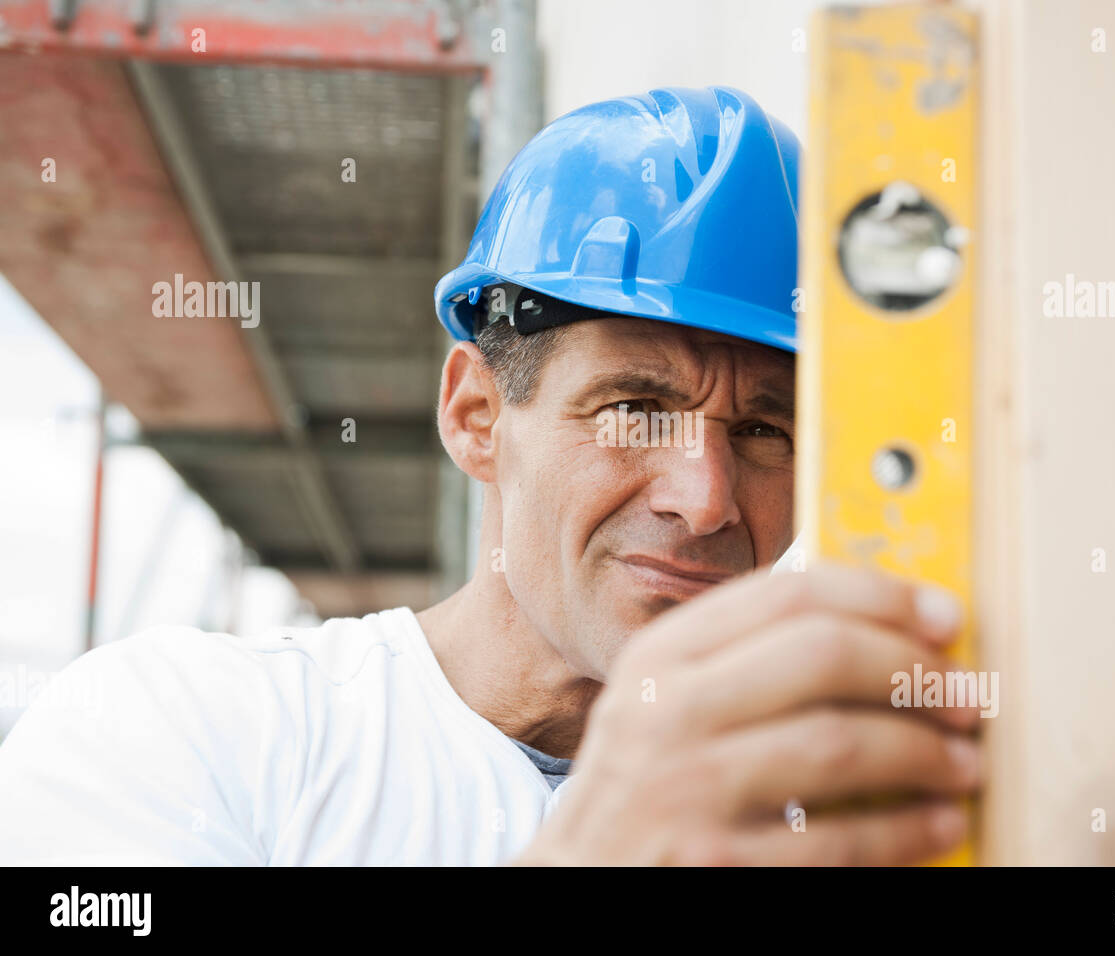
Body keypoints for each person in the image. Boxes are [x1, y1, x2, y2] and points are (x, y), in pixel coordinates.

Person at [0, 86, 980, 865]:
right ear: (475, 416)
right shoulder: (189, 731)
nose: (707, 495)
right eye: (633, 408)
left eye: (766, 428)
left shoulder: (849, 807)